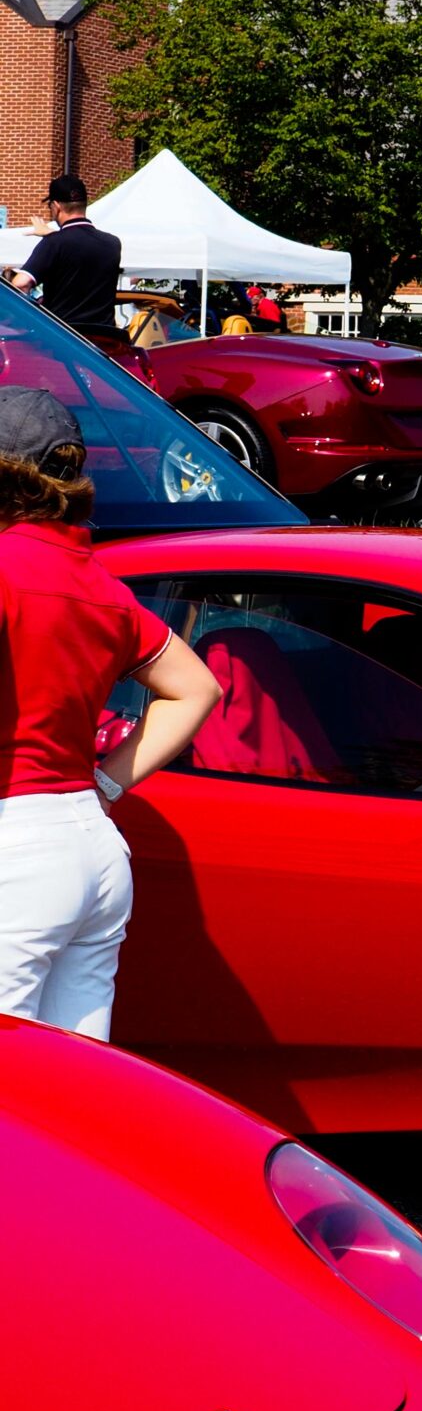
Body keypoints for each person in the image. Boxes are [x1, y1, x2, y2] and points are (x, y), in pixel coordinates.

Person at [0, 389, 219, 1038]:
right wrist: (103, 784)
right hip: (90, 847)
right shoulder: (99, 584)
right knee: (73, 1082)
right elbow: (196, 688)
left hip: (17, 849)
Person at [3, 176, 122, 329]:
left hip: (66, 335)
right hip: (104, 336)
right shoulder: (113, 244)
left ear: (56, 206)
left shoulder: (55, 243)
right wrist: (52, 235)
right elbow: (80, 248)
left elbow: (21, 283)